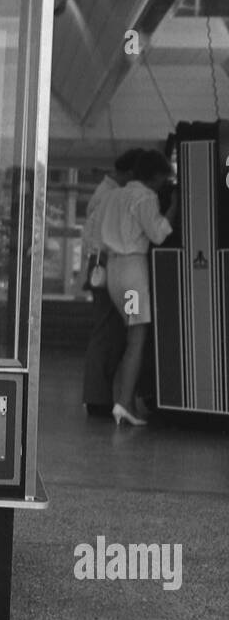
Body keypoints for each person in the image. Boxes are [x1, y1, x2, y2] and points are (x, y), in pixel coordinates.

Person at [98, 149, 178, 426]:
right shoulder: (146, 196)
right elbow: (157, 233)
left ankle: (126, 399)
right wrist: (172, 208)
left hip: (114, 273)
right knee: (137, 339)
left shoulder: (114, 195)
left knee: (129, 334)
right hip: (133, 274)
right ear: (155, 176)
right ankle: (123, 403)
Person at [81, 149, 141, 417]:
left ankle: (99, 396)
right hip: (105, 264)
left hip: (100, 264)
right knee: (108, 331)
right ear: (129, 172)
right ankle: (97, 397)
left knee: (109, 330)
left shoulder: (105, 190)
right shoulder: (110, 194)